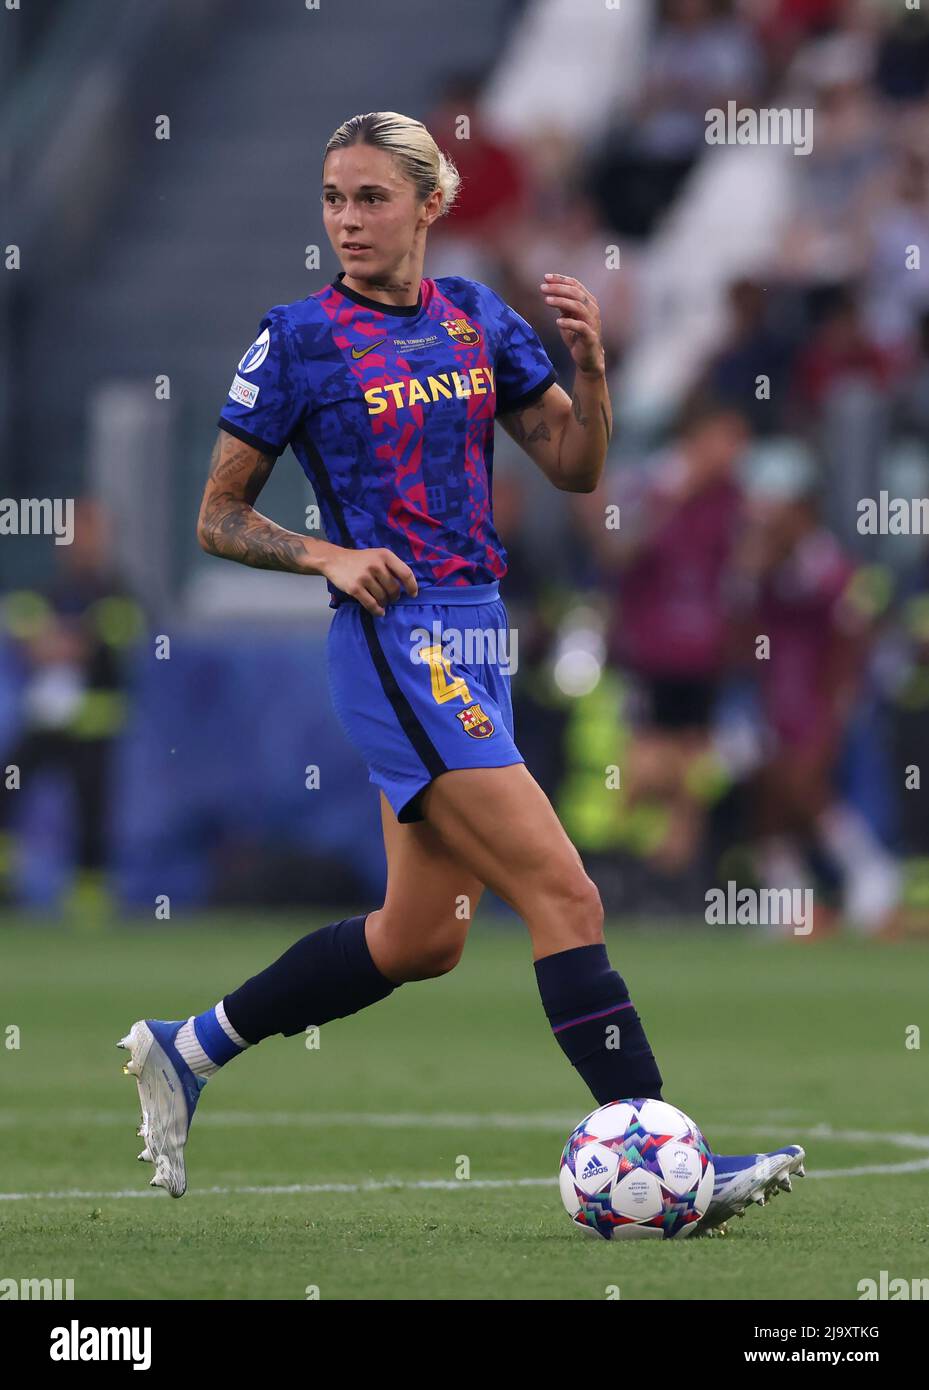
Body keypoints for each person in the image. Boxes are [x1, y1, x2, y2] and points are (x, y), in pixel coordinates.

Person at [117, 110, 803, 1228]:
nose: (347, 219)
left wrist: (588, 367)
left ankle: (187, 1048)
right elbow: (216, 517)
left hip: (479, 634)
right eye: (334, 198)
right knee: (566, 892)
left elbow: (576, 467)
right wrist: (329, 551)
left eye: (371, 197)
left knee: (419, 937)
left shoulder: (479, 318)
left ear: (430, 204)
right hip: (398, 644)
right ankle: (671, 1157)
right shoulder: (297, 339)